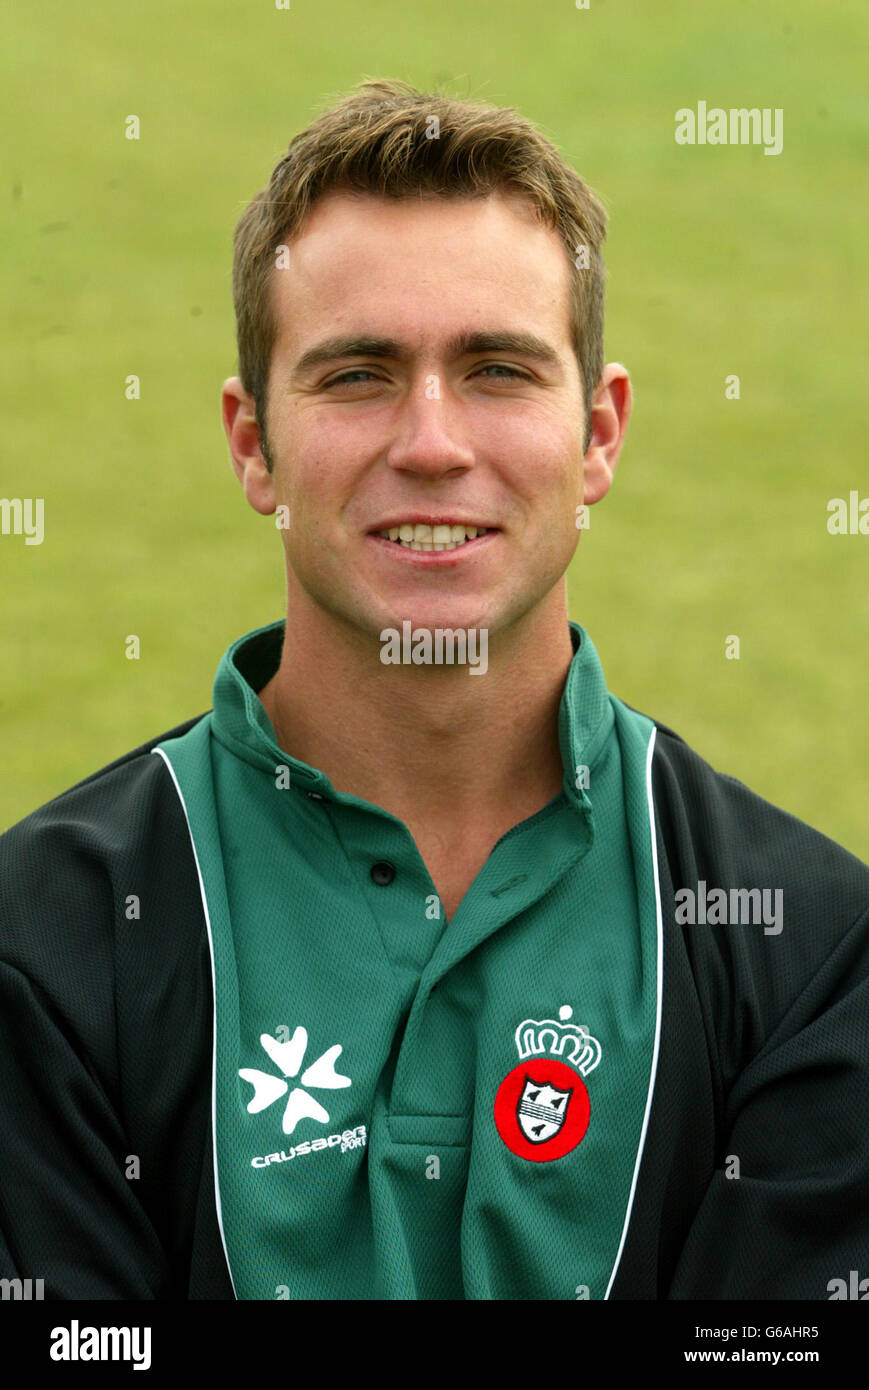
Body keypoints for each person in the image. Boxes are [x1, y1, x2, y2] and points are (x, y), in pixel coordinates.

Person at [1, 78, 866, 1302]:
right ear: (253, 445)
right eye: (357, 375)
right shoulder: (44, 940)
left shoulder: (806, 947)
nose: (430, 442)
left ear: (598, 436)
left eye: (498, 370)